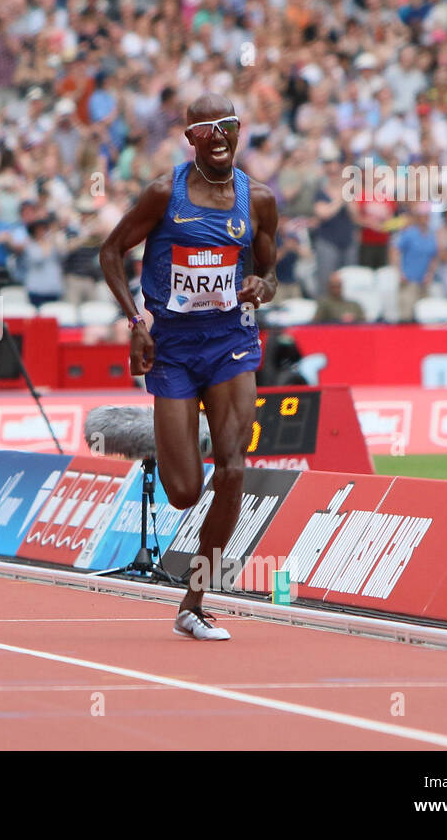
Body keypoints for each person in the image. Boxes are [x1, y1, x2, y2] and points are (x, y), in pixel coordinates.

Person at [99, 94, 278, 641]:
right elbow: (110, 254)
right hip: (172, 349)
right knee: (183, 492)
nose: (219, 136)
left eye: (228, 126)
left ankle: (194, 602)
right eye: (207, 129)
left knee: (232, 468)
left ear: (238, 131)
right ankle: (179, 433)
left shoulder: (260, 200)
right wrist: (136, 324)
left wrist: (260, 287)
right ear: (191, 139)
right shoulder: (163, 193)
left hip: (230, 344)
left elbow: (270, 275)